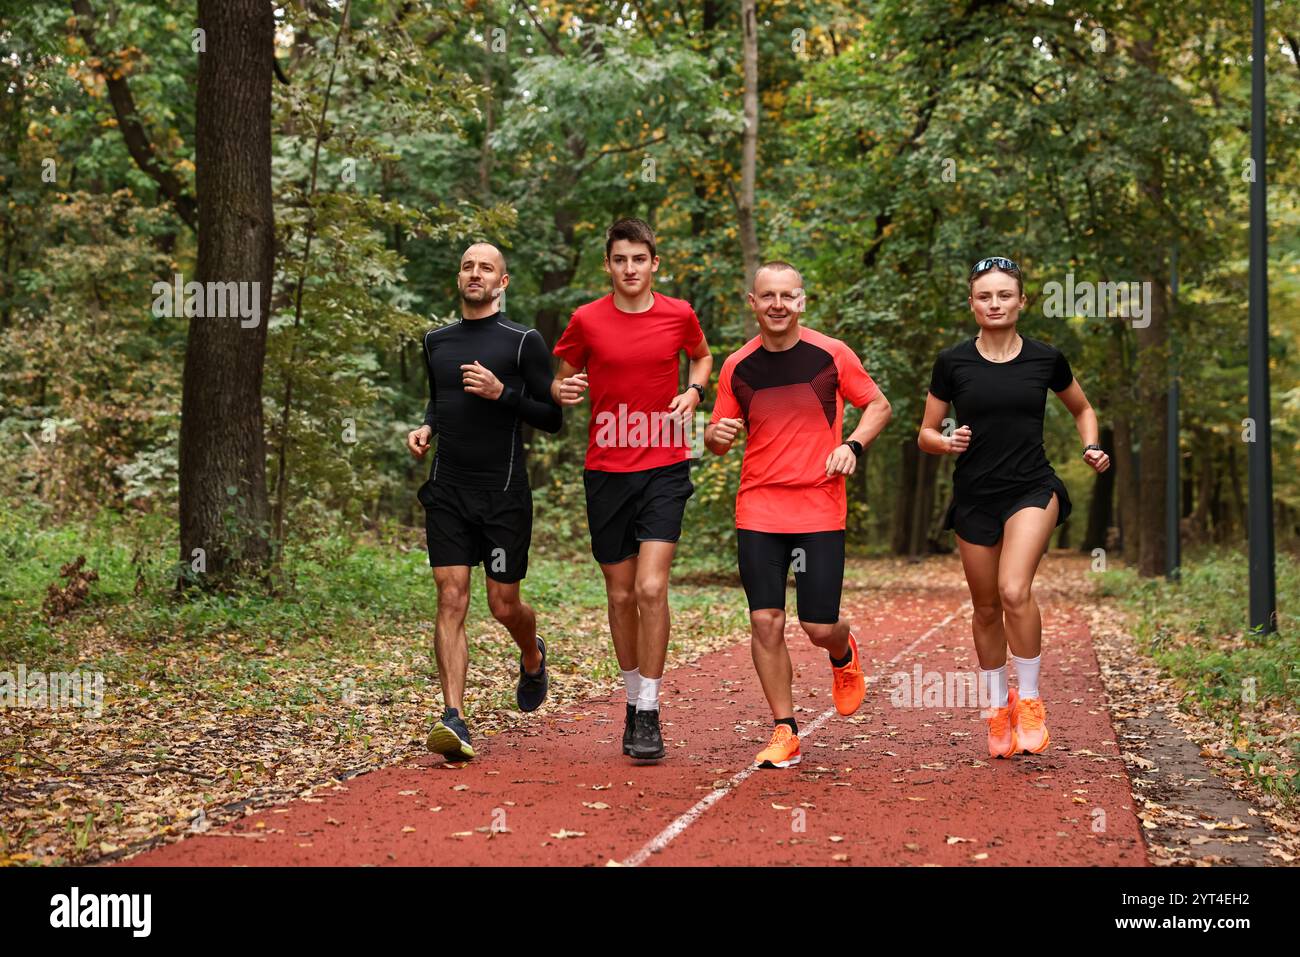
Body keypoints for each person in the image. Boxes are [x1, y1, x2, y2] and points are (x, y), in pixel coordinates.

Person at [917, 256, 1111, 758]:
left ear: (1022, 301)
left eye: (1005, 295)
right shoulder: (951, 361)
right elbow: (925, 432)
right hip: (975, 495)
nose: (996, 303)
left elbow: (1082, 408)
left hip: (1031, 488)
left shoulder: (1046, 359)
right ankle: (996, 707)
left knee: (1012, 589)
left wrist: (1090, 445)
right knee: (985, 608)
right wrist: (945, 442)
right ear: (972, 304)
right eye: (985, 296)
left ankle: (1029, 701)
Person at [704, 261, 892, 769]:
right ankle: (784, 729)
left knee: (817, 624)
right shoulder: (736, 367)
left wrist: (852, 443)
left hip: (818, 507)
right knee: (765, 621)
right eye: (768, 296)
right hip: (759, 508)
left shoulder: (831, 355)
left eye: (787, 295)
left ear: (802, 301)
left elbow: (879, 406)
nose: (778, 305)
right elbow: (718, 434)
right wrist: (714, 436)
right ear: (753, 302)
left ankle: (842, 650)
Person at [551, 218, 713, 761]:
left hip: (665, 464)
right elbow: (563, 375)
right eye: (620, 260)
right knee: (620, 595)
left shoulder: (679, 314)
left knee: (649, 588)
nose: (629, 269)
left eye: (638, 260)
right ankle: (631, 699)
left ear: (653, 265)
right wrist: (564, 389)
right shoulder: (586, 320)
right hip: (606, 469)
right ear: (609, 265)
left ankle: (649, 710)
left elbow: (703, 356)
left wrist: (693, 392)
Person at [406, 242, 563, 762]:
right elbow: (440, 396)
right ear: (459, 277)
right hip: (448, 489)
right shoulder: (436, 341)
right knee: (451, 598)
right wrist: (428, 424)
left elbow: (552, 416)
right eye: (469, 266)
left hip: (502, 494)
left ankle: (531, 653)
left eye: (487, 268)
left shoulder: (523, 343)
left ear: (504, 281)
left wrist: (503, 394)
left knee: (503, 604)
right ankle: (454, 717)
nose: (477, 274)